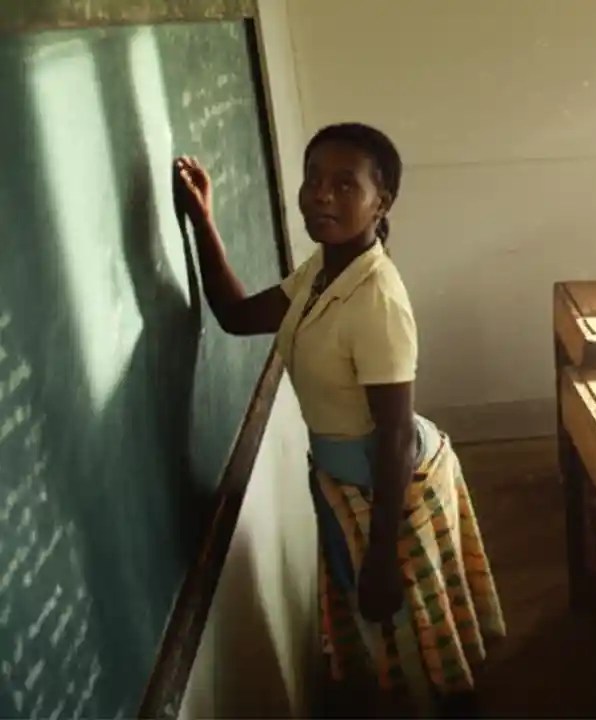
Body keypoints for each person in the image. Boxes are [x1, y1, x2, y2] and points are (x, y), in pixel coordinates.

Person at [173, 124, 505, 715]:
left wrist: (380, 558)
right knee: (390, 645)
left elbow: (395, 434)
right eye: (314, 179)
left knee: (415, 645)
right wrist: (202, 220)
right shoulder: (322, 272)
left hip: (391, 491)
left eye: (345, 184)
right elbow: (235, 315)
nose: (321, 195)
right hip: (346, 483)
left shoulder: (375, 299)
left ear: (382, 203)